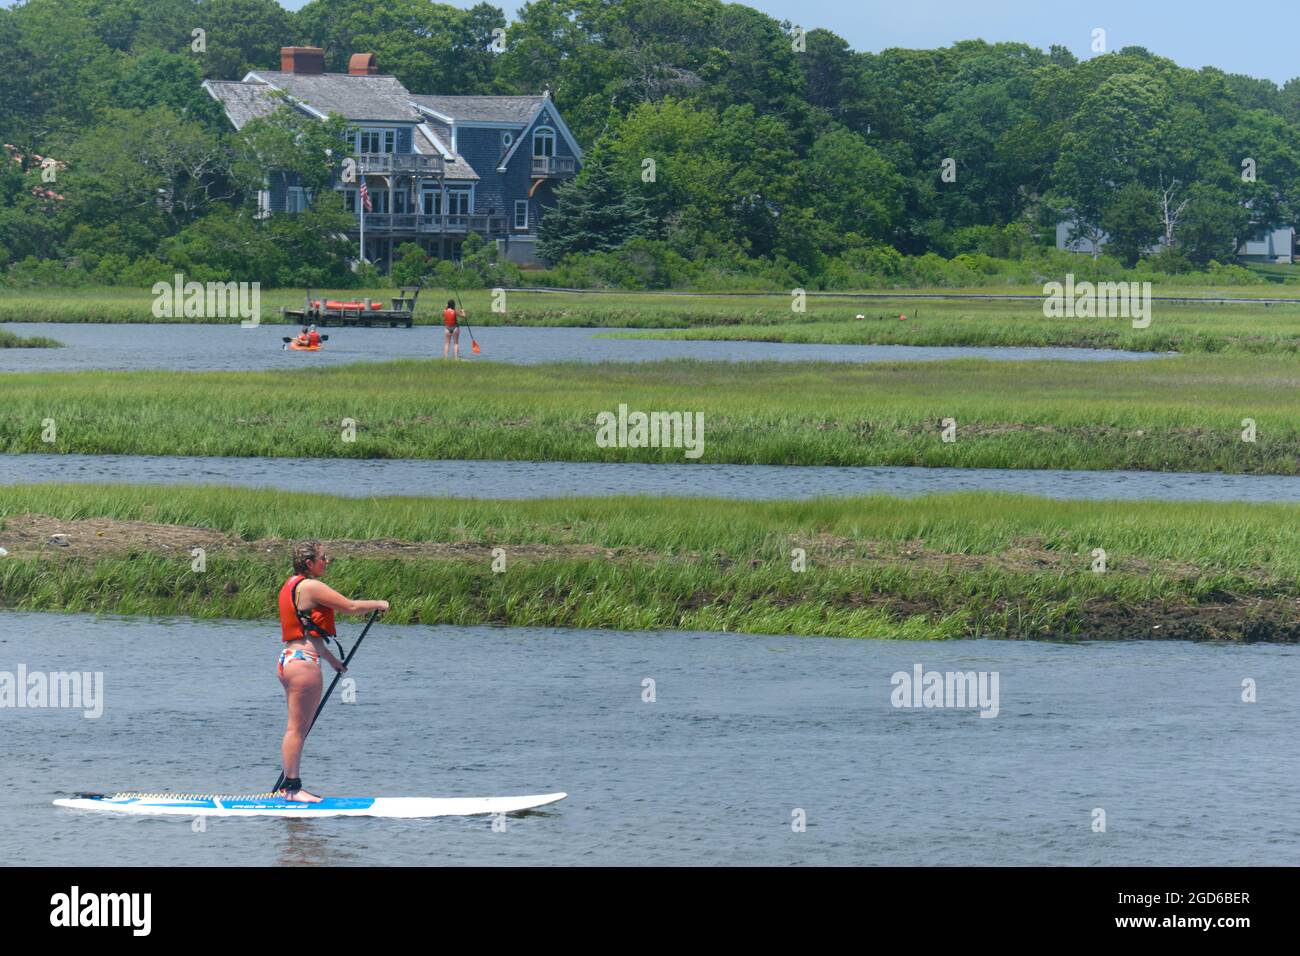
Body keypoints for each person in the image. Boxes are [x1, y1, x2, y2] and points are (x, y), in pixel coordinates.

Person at [276, 541, 389, 802]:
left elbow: (307, 633)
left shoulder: (290, 585)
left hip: (288, 659)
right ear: (309, 563)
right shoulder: (311, 586)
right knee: (296, 729)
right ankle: (292, 789)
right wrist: (379, 603)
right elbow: (349, 606)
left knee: (296, 728)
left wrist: (331, 660)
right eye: (323, 558)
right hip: (303, 664)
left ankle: (289, 785)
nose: (326, 562)